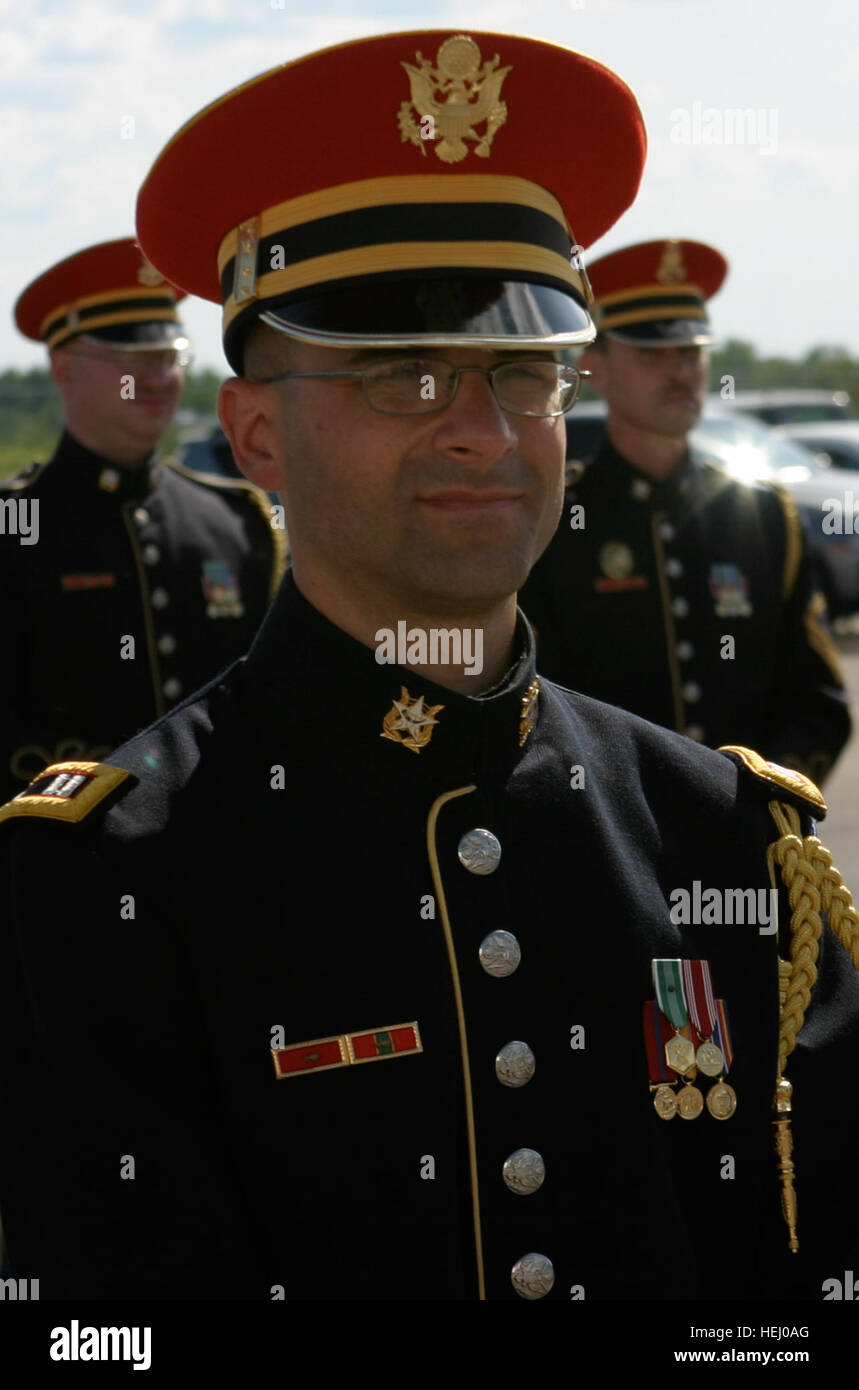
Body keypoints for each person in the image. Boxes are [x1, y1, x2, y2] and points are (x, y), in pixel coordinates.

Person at [0, 30, 857, 1305]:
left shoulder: (725, 839)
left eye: (523, 371)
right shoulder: (109, 882)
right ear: (256, 439)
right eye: (403, 376)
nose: (484, 429)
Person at [520, 239, 850, 787]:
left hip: (744, 844)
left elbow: (817, 703)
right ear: (594, 366)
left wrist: (758, 807)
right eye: (652, 355)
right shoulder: (554, 519)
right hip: (604, 844)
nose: (679, 371)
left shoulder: (762, 515)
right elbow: (529, 703)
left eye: (691, 352)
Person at [0, 238, 286, 800]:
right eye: (131, 361)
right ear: (63, 368)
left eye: (169, 357)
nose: (157, 378)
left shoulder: (236, 519)